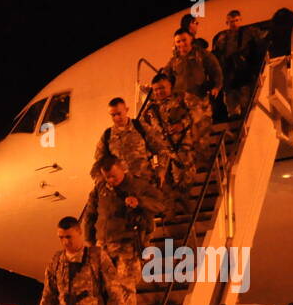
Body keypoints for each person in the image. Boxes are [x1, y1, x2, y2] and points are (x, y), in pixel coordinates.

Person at [84, 154, 166, 305]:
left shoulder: (137, 185)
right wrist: (89, 240)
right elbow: (90, 214)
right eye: (107, 177)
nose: (110, 180)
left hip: (127, 243)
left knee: (126, 286)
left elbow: (161, 204)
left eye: (113, 176)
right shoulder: (100, 189)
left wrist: (140, 202)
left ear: (122, 168)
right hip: (104, 244)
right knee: (106, 288)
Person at [140, 73, 197, 216]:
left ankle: (189, 218)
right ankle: (171, 229)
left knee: (184, 185)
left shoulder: (181, 100)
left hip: (181, 151)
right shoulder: (150, 110)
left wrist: (181, 124)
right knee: (165, 189)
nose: (159, 92)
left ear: (170, 86)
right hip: (163, 155)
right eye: (156, 89)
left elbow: (196, 114)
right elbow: (142, 129)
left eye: (162, 88)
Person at [91, 97, 173, 187]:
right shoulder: (107, 135)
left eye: (119, 113)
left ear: (126, 110)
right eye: (113, 115)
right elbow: (99, 162)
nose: (117, 118)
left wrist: (160, 169)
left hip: (145, 183)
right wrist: (103, 182)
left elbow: (162, 148)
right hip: (120, 185)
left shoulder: (140, 127)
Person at [166, 29, 223, 156]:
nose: (181, 44)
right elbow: (166, 78)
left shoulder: (202, 55)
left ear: (191, 39)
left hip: (200, 101)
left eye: (184, 40)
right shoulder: (174, 61)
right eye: (178, 41)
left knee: (202, 135)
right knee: (186, 138)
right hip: (182, 104)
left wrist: (216, 86)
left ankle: (205, 163)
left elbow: (216, 70)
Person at [211, 9, 266, 119]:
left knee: (246, 103)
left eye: (236, 20)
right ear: (227, 23)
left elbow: (263, 39)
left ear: (240, 20)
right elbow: (217, 53)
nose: (234, 24)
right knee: (232, 106)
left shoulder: (248, 32)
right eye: (231, 22)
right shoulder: (222, 37)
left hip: (243, 73)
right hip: (229, 75)